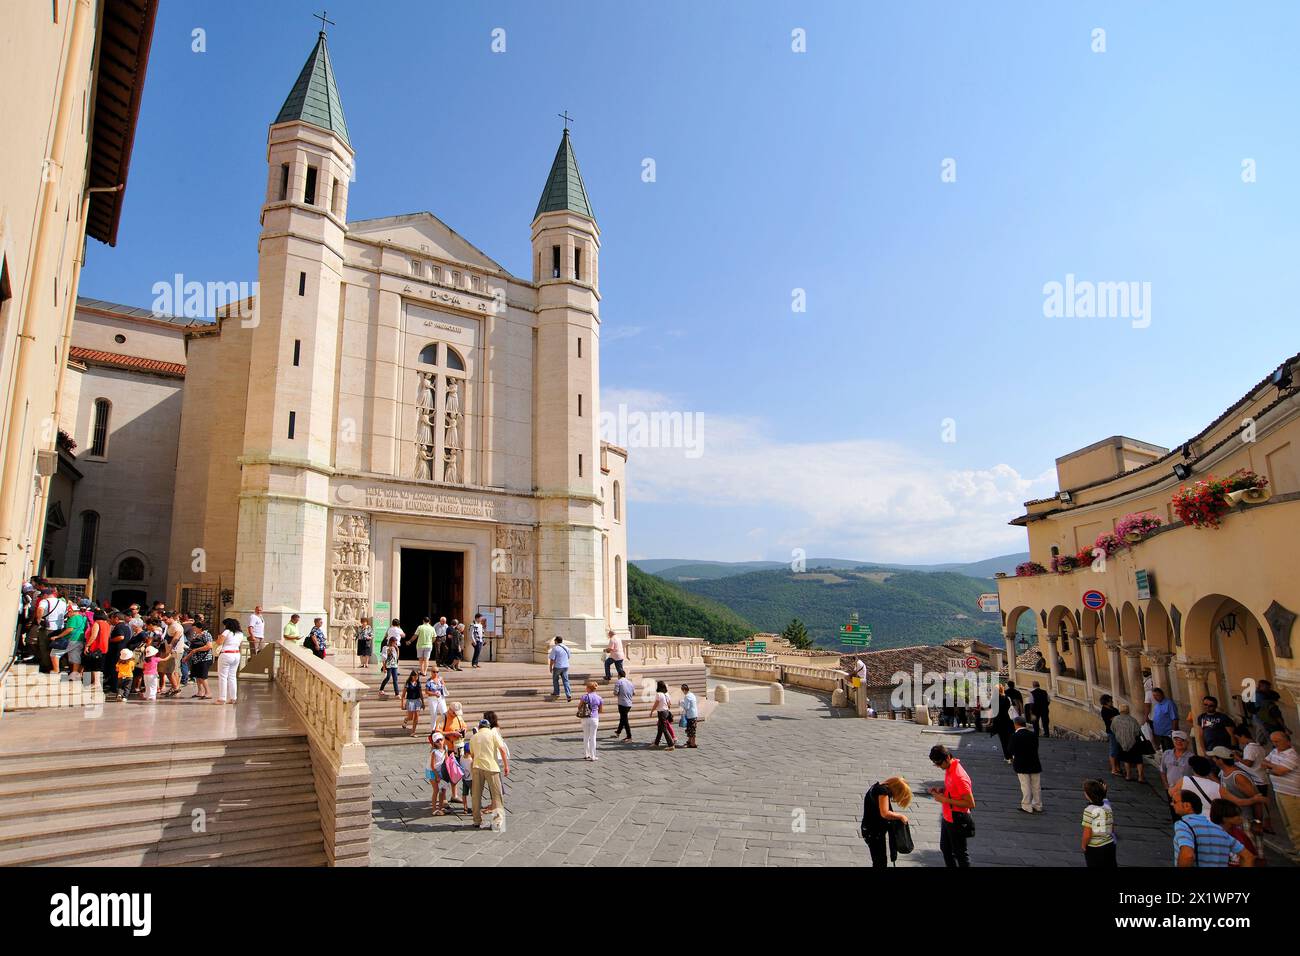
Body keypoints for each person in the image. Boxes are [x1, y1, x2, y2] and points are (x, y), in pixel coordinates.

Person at [1173, 790, 1255, 867]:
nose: (1172, 804)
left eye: (1175, 802)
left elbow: (1188, 856)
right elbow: (1248, 857)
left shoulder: (1183, 825)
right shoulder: (1220, 830)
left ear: (1187, 806)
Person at [927, 744, 975, 867]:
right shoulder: (950, 769)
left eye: (939, 763)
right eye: (935, 764)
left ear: (947, 758)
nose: (938, 766)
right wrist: (942, 790)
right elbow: (954, 791)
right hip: (948, 816)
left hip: (957, 818)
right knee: (945, 848)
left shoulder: (959, 777)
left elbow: (970, 803)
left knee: (960, 854)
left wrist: (944, 800)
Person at [860, 777, 912, 868]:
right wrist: (901, 816)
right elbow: (885, 813)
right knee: (880, 862)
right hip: (874, 832)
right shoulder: (883, 791)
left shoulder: (877, 787)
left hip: (870, 829)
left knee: (879, 860)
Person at [1263, 729, 1300, 860]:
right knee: (1287, 823)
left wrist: (1271, 768)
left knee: (1296, 824)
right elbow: (1264, 763)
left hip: (1291, 794)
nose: (1275, 744)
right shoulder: (1274, 752)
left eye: (1277, 741)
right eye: (1273, 742)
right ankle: (1296, 848)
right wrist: (1273, 768)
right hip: (1279, 791)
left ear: (1286, 740)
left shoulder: (1292, 755)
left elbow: (1280, 771)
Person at [470, 711, 509, 832]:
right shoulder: (492, 734)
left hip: (477, 767)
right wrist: (506, 766)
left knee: (476, 795)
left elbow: (472, 754)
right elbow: (502, 750)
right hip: (491, 767)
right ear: (488, 727)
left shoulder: (473, 737)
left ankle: (476, 820)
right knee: (497, 795)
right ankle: (497, 823)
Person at [1079, 779, 1117, 867]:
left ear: (1088, 795)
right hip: (1109, 844)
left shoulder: (1089, 810)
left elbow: (1087, 833)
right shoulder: (1107, 807)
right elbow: (1112, 827)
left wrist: (1084, 845)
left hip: (1095, 847)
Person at [1209, 799, 1259, 864]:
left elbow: (1252, 856)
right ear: (1225, 818)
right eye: (1237, 815)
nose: (1241, 817)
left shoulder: (1239, 833)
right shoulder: (1211, 836)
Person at [1011, 716, 1043, 813]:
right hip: (1034, 763)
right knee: (1036, 786)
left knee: (1025, 785)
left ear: (1016, 724)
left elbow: (1010, 750)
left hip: (1021, 764)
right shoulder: (1033, 735)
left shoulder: (1015, 736)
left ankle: (1027, 806)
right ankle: (1038, 805)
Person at [1111, 704, 1146, 782]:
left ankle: (1128, 775)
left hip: (1121, 742)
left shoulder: (1115, 719)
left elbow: (1112, 730)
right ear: (1128, 710)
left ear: (1120, 710)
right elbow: (1137, 732)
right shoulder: (1132, 720)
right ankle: (1140, 777)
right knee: (1138, 760)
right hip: (1134, 742)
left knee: (1126, 760)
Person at [215, 618, 243, 704]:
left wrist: (219, 637)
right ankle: (233, 698)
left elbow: (219, 642)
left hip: (226, 654)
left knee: (223, 676)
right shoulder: (240, 634)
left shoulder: (226, 632)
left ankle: (222, 698)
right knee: (232, 676)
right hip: (236, 654)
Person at [183, 622, 213, 700]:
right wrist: (187, 657)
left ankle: (208, 692)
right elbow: (192, 649)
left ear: (200, 628)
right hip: (196, 659)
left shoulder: (206, 635)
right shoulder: (196, 635)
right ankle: (200, 692)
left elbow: (209, 646)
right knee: (197, 676)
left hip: (204, 658)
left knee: (203, 676)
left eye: (195, 628)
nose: (193, 629)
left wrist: (196, 650)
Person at [578, 679, 603, 761]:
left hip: (585, 718)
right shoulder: (599, 698)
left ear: (589, 688)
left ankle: (586, 754)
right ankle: (593, 756)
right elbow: (601, 710)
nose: (586, 689)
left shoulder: (584, 697)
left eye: (586, 687)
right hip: (594, 718)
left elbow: (579, 707)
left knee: (586, 736)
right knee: (593, 737)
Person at [988, 684, 1014, 763]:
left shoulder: (994, 699)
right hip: (1008, 721)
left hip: (999, 722)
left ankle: (1007, 757)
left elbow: (991, 710)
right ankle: (1012, 755)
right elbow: (1011, 708)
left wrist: (989, 721)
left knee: (1003, 741)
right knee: (1010, 739)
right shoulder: (1007, 698)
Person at [650, 680, 676, 750]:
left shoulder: (659, 694)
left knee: (664, 729)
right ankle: (656, 743)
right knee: (660, 728)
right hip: (666, 711)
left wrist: (652, 711)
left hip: (662, 713)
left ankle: (671, 745)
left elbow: (656, 704)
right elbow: (669, 703)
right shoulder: (665, 694)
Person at [1099, 693, 1121, 776]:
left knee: (1118, 750)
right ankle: (1113, 769)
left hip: (1118, 731)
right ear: (1106, 702)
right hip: (1111, 731)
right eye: (1110, 701)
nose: (1112, 702)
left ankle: (1118, 767)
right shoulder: (1104, 711)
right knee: (1113, 750)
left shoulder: (1113, 709)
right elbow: (1110, 720)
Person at [427, 732, 449, 815]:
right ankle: (434, 809)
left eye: (441, 739)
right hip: (433, 772)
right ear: (434, 743)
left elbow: (446, 760)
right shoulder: (434, 752)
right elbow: (432, 766)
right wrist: (437, 776)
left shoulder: (445, 749)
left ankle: (440, 807)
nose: (440, 742)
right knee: (436, 790)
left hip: (441, 771)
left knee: (442, 790)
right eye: (437, 741)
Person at [400, 670, 425, 737]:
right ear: (412, 676)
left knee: (416, 717)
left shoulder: (418, 683)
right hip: (410, 701)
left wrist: (423, 702)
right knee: (410, 717)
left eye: (417, 676)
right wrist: (402, 703)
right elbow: (403, 695)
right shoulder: (408, 683)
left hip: (417, 701)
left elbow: (421, 693)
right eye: (415, 676)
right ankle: (406, 720)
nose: (417, 678)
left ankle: (413, 732)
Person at [612, 672, 635, 741]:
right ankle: (618, 732)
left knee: (625, 719)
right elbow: (634, 693)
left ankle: (629, 736)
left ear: (619, 675)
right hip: (629, 703)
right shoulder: (630, 682)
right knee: (623, 718)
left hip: (622, 703)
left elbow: (616, 692)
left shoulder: (619, 682)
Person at [548, 635, 571, 701]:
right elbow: (568, 656)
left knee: (555, 680)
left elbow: (552, 659)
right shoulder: (566, 647)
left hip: (558, 666)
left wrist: (550, 667)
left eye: (555, 640)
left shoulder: (555, 648)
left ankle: (556, 692)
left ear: (556, 641)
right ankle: (568, 695)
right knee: (566, 681)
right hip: (565, 666)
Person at [680, 683, 700, 749]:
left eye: (682, 691)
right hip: (694, 714)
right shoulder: (692, 694)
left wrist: (681, 703)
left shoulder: (687, 696)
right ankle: (689, 741)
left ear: (684, 690)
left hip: (691, 715)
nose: (683, 692)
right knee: (690, 729)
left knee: (691, 730)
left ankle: (693, 744)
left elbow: (687, 707)